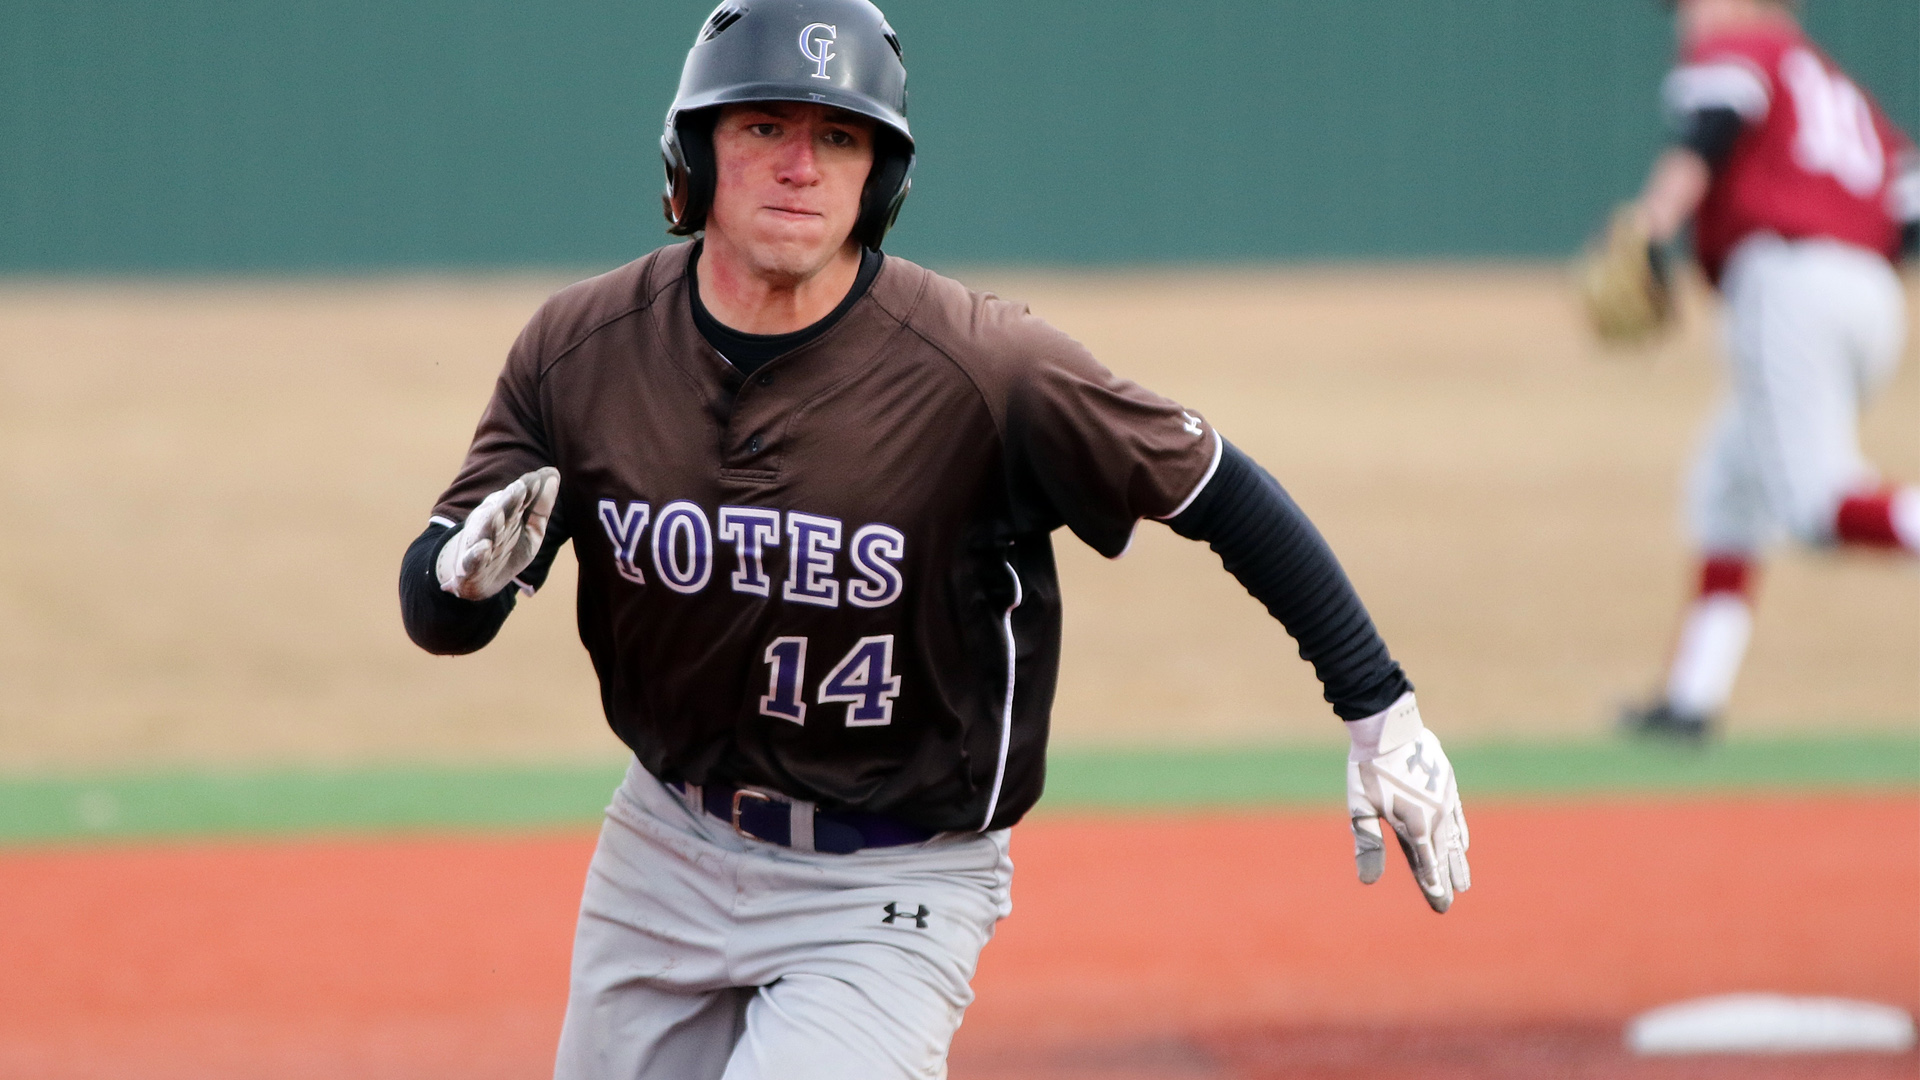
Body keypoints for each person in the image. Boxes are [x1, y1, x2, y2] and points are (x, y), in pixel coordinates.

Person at [399, 2, 1469, 1076]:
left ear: (883, 178)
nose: (800, 166)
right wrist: (460, 583)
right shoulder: (581, 350)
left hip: (889, 877)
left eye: (840, 136)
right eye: (763, 126)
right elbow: (441, 618)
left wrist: (1378, 705)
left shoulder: (987, 371)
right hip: (664, 847)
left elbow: (1218, 490)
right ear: (695, 152)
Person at [1613, 0, 1919, 739]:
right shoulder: (1837, 86)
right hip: (1869, 293)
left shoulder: (1744, 44)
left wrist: (1654, 221)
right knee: (1727, 484)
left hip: (1787, 283)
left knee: (1816, 505)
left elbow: (1710, 130)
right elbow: (1910, 203)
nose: (1685, 18)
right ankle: (1690, 701)